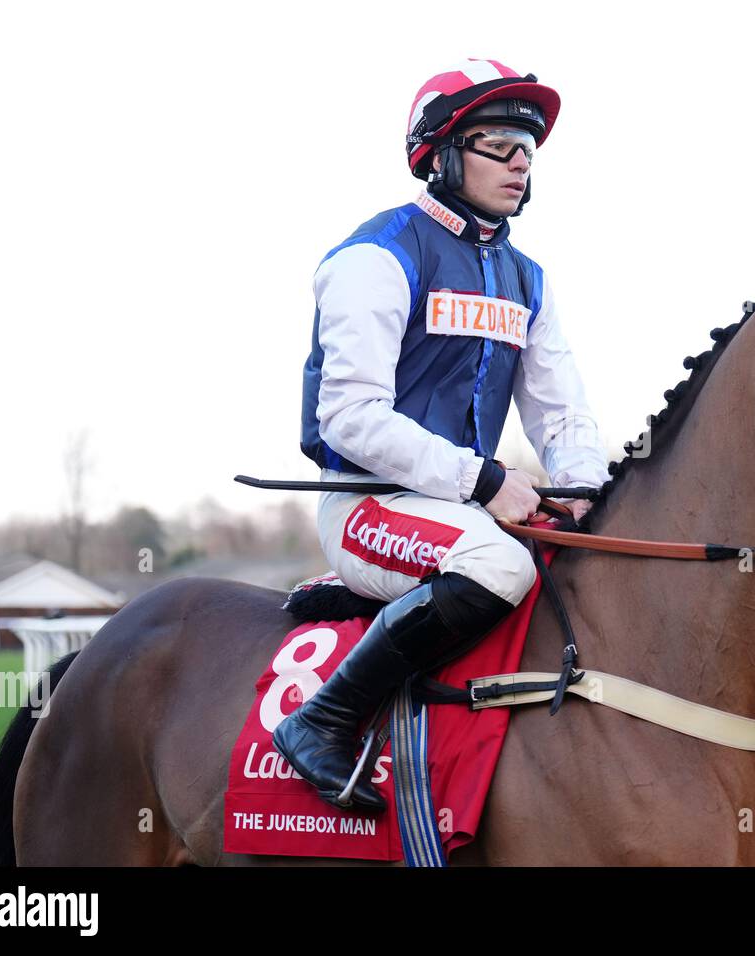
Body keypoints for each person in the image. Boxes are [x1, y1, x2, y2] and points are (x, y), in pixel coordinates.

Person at [276, 59, 609, 812]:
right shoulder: (377, 253)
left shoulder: (529, 279)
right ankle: (321, 722)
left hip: (464, 511)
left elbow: (561, 416)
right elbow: (350, 417)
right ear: (440, 151)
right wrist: (484, 480)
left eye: (528, 148)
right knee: (500, 563)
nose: (520, 162)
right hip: (369, 503)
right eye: (499, 144)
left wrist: (587, 490)